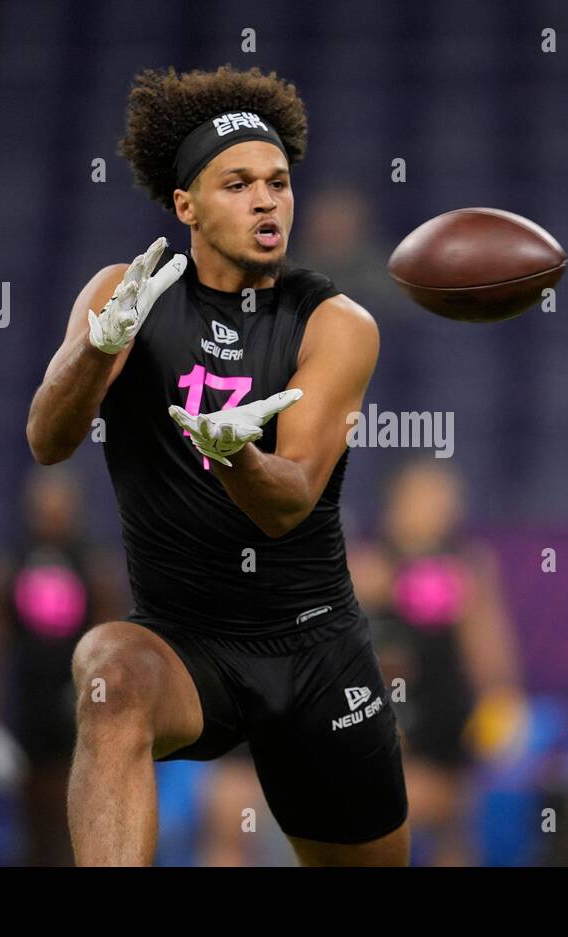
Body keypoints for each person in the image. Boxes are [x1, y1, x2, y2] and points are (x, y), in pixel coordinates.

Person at [25, 64, 407, 866]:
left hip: (314, 652)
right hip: (185, 648)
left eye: (278, 182)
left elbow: (288, 501)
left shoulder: (337, 324)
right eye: (237, 184)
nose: (267, 200)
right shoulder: (124, 293)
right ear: (185, 205)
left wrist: (231, 452)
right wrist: (99, 350)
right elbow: (48, 439)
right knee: (108, 672)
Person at [350, 460, 524, 866]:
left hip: (447, 713)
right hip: (389, 715)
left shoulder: (468, 565)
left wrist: (501, 697)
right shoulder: (367, 565)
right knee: (390, 828)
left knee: (453, 824)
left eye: (447, 498)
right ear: (398, 504)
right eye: (429, 496)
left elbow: (487, 643)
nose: (443, 507)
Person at [0, 464, 123, 866]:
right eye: (43, 505)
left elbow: (109, 630)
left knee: (68, 801)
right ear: (30, 507)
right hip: (27, 696)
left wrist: (96, 694)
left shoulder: (91, 561)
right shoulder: (9, 559)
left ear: (72, 508)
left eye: (59, 505)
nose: (51, 513)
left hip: (70, 695)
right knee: (28, 811)